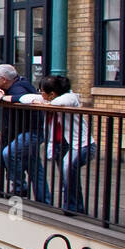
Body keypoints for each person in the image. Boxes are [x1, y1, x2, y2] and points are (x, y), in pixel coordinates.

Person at [18, 75, 97, 213]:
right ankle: (76, 207)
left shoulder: (70, 97)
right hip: (62, 145)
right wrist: (39, 101)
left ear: (52, 94)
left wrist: (44, 103)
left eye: (41, 90)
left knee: (68, 170)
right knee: (69, 175)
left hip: (81, 145)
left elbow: (59, 102)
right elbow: (24, 98)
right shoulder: (49, 98)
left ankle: (71, 207)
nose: (40, 93)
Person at [0, 63, 46, 201]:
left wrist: (2, 97)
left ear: (3, 79)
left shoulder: (18, 88)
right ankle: (43, 200)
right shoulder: (15, 84)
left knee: (9, 153)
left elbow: (22, 98)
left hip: (30, 131)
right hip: (26, 131)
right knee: (34, 166)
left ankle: (20, 187)